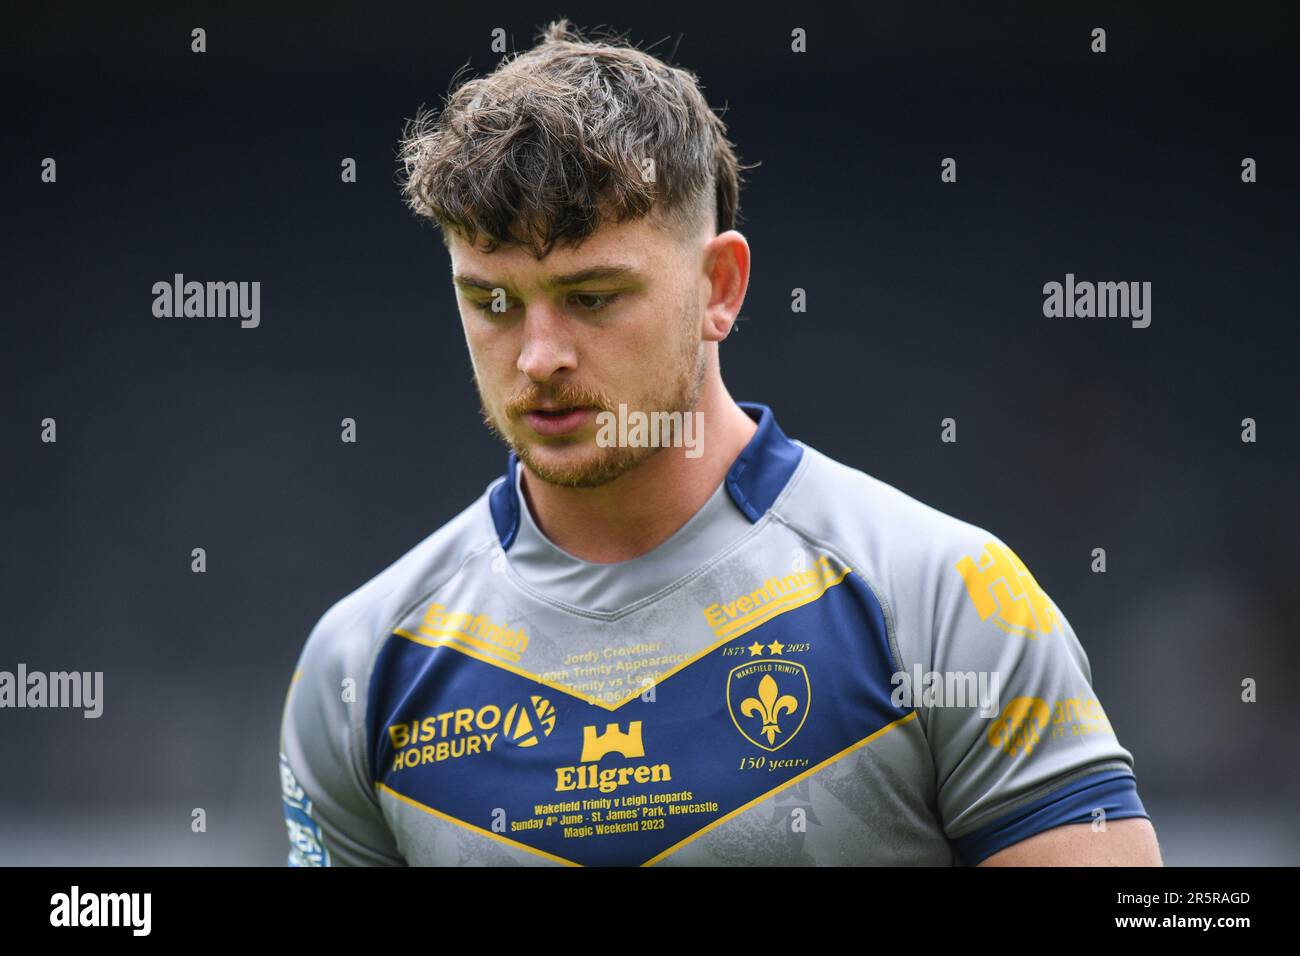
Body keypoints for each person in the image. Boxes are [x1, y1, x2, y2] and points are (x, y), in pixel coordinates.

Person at [279, 19, 1161, 866]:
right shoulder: (361, 665)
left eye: (592, 297)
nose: (540, 356)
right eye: (493, 302)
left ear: (721, 287)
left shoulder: (947, 601)